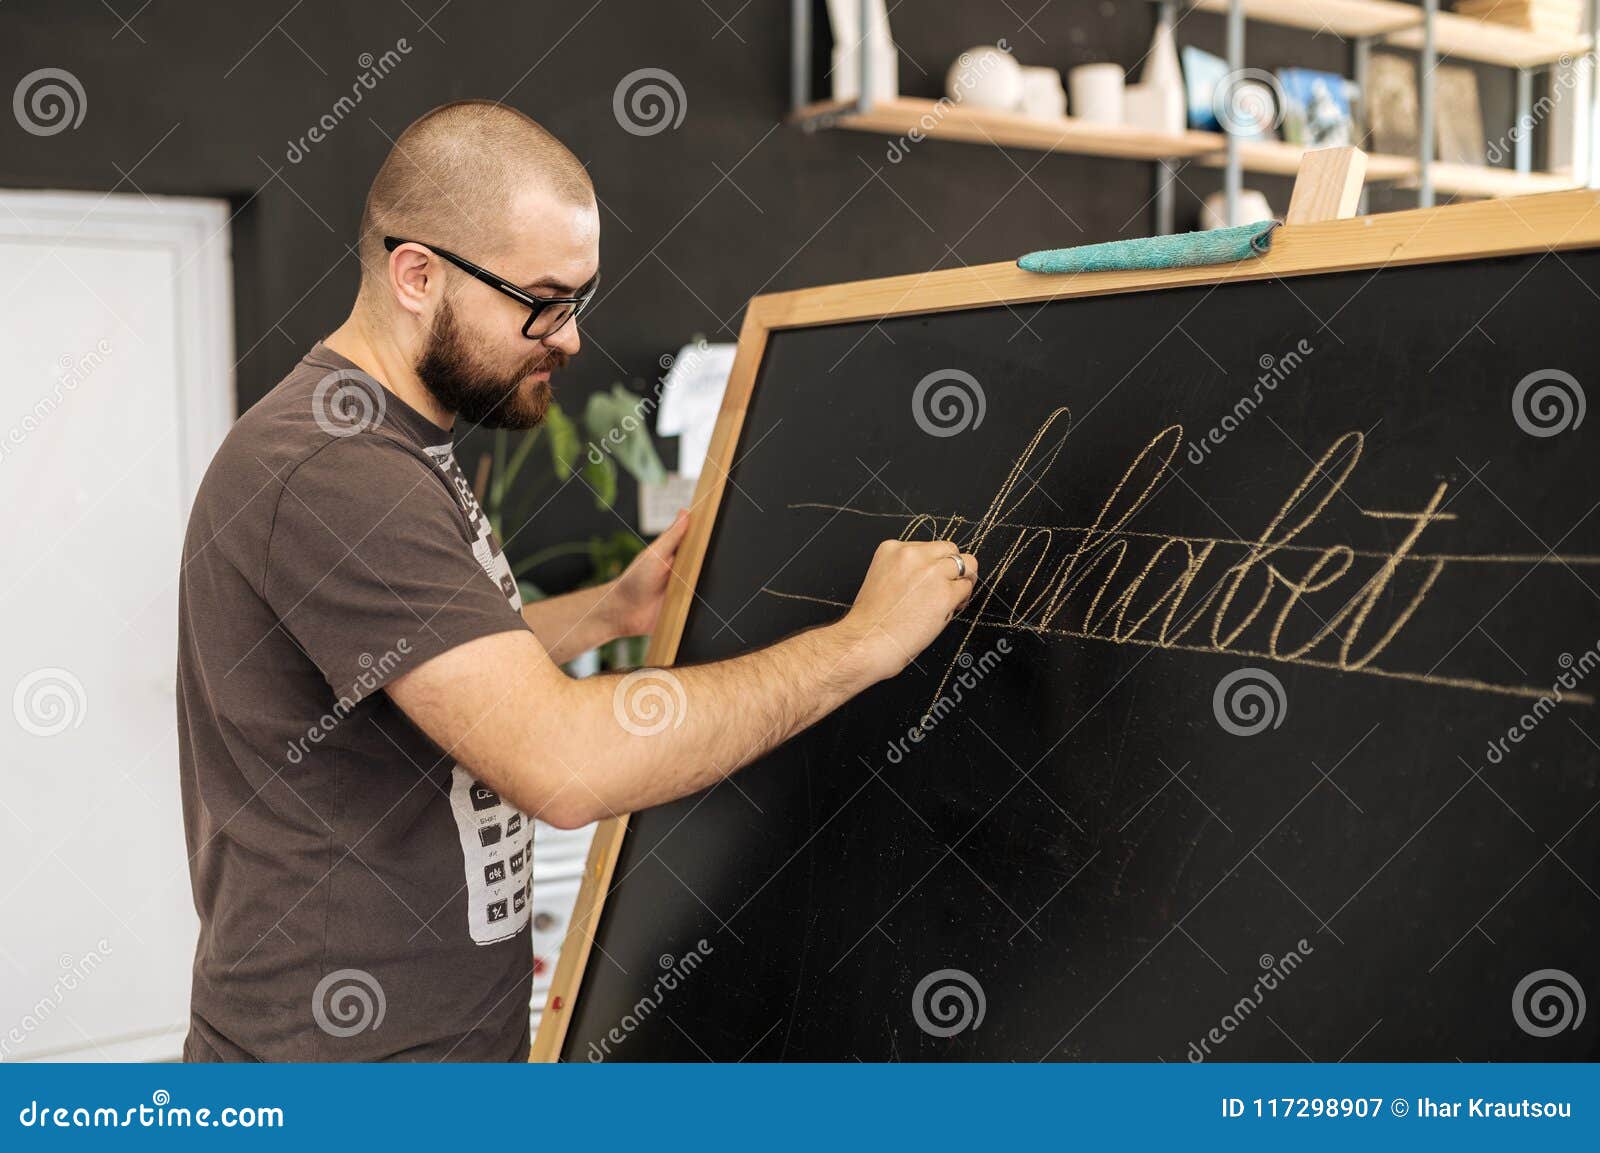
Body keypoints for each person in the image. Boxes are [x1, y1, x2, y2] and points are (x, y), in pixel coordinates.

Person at [176, 99, 977, 1062]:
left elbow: (419, 656)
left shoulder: (381, 441)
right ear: (418, 274)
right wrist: (860, 647)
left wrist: (611, 609)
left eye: (578, 302)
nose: (569, 339)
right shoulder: (333, 470)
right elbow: (565, 767)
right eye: (544, 301)